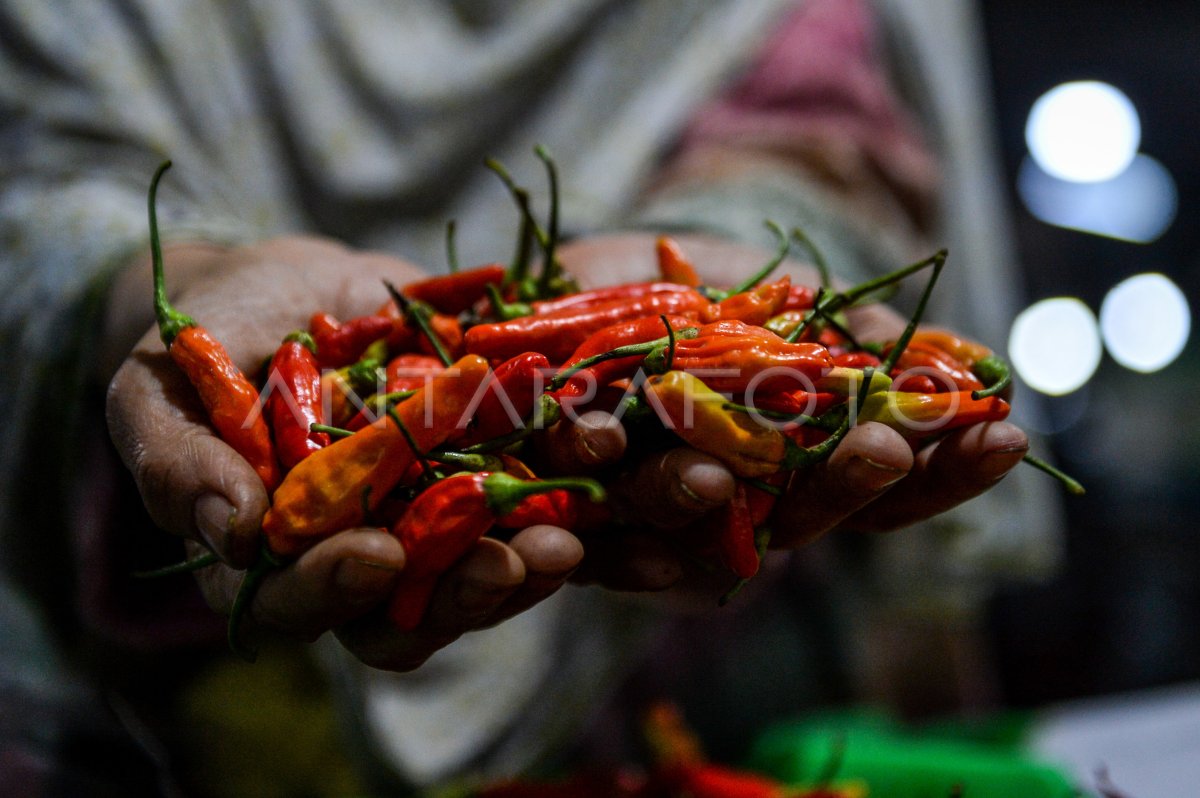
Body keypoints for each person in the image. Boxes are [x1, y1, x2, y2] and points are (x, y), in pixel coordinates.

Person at [0, 0, 1061, 793]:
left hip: (674, 662)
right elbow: (37, 160)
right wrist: (167, 287)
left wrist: (756, 245)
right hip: (161, 703)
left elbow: (815, 118)